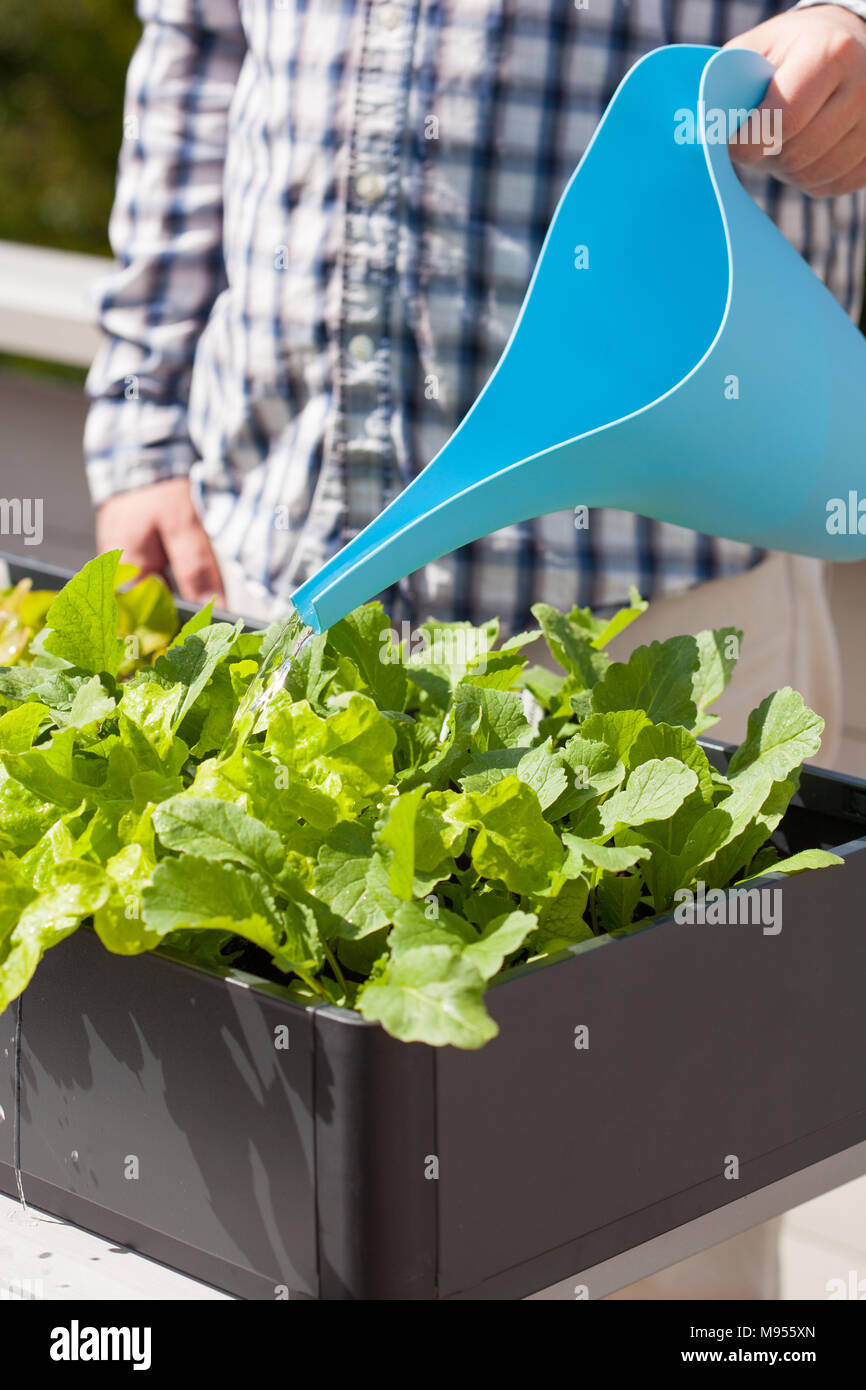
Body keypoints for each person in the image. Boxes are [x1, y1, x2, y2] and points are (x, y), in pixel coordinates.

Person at [85, 1, 866, 1299]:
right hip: (271, 578)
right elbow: (197, 36)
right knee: (287, 1230)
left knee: (660, 1246)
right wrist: (140, 424)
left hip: (653, 645)